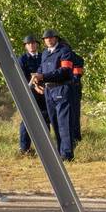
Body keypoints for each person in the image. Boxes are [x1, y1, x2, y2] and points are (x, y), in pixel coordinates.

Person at [30, 29, 81, 162]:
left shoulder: (64, 51)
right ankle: (60, 153)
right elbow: (41, 68)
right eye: (46, 39)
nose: (49, 40)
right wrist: (37, 80)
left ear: (56, 38)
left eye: (51, 38)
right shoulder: (45, 53)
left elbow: (64, 71)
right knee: (55, 123)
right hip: (48, 90)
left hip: (62, 89)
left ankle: (67, 154)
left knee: (64, 123)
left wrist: (43, 76)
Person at [17, 34, 50, 155]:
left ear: (37, 44)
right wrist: (35, 86)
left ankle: (45, 148)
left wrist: (43, 86)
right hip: (29, 92)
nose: (31, 45)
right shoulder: (22, 59)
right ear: (25, 46)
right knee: (27, 119)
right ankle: (24, 148)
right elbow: (22, 77)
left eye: (33, 43)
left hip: (44, 91)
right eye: (28, 43)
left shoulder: (43, 56)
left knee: (46, 118)